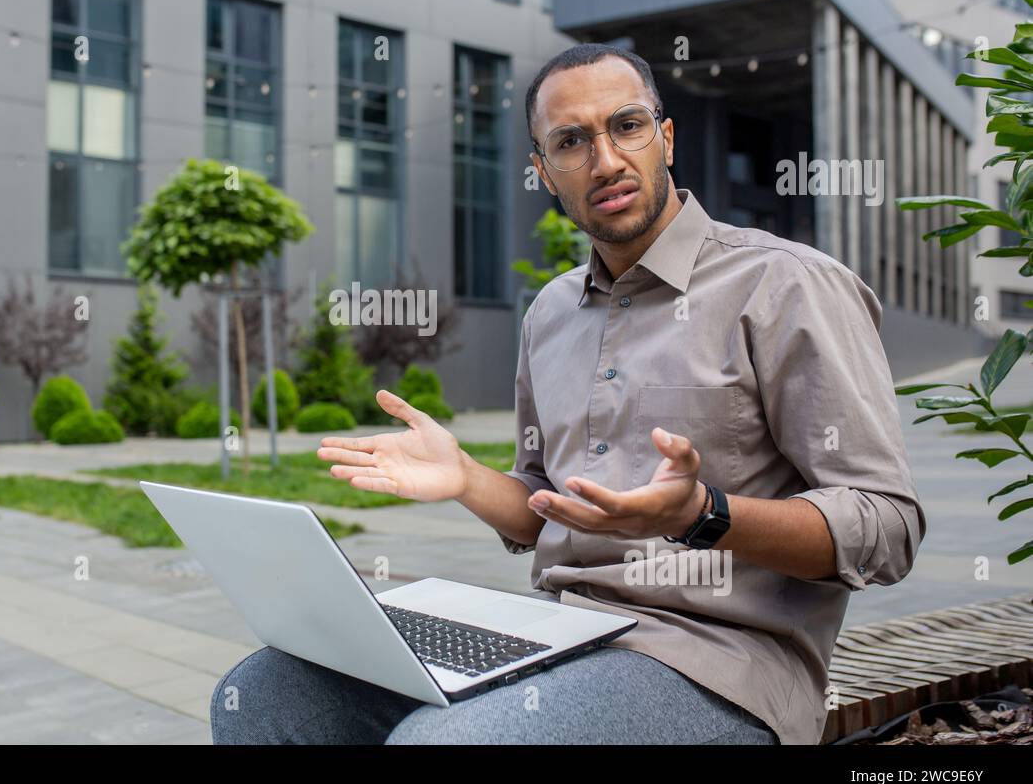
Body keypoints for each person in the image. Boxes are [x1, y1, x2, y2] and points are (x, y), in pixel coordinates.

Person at [210, 43, 924, 745]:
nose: (606, 160)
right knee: (268, 694)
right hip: (558, 635)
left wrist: (704, 514)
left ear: (665, 138)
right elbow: (542, 509)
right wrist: (464, 477)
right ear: (544, 172)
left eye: (627, 126)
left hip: (718, 662)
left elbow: (885, 527)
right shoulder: (550, 312)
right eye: (572, 141)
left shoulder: (787, 284)